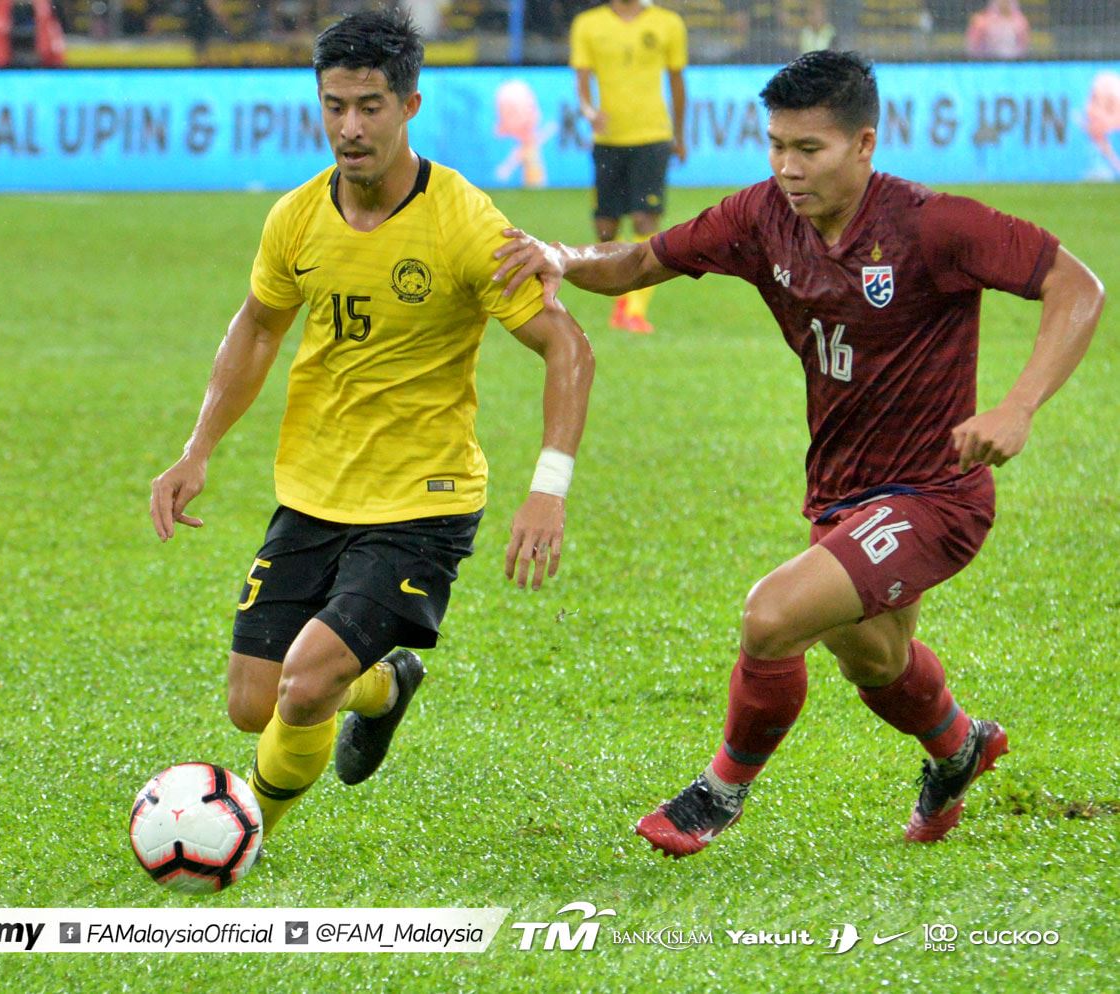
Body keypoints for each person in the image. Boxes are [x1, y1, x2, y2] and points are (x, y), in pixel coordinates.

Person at [495, 50, 1104, 857]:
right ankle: (958, 747)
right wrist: (564, 257)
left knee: (773, 616)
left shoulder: (933, 225)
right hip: (841, 490)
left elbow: (1078, 286)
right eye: (777, 145)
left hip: (938, 493)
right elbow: (640, 260)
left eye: (809, 149)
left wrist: (1018, 406)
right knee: (875, 658)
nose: (787, 167)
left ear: (864, 144)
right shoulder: (760, 217)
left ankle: (717, 793)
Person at [150, 10, 594, 840]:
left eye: (369, 106)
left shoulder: (463, 221)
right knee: (254, 703)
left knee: (304, 685)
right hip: (314, 488)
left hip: (424, 501)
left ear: (410, 105)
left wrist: (549, 489)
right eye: (335, 106)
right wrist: (196, 449)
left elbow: (567, 346)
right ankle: (386, 685)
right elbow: (257, 329)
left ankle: (239, 835)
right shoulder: (297, 217)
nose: (349, 127)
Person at [569, 0, 687, 333]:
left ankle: (635, 310)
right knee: (606, 227)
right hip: (609, 139)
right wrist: (589, 111)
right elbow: (582, 81)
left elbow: (677, 82)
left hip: (653, 135)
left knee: (645, 218)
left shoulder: (667, 23)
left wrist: (679, 135)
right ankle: (623, 297)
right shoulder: (588, 24)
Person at [966, 0, 1030, 60]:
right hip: (987, 62)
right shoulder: (981, 22)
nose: (1004, 3)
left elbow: (1024, 49)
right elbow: (973, 49)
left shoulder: (1020, 22)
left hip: (1013, 62)